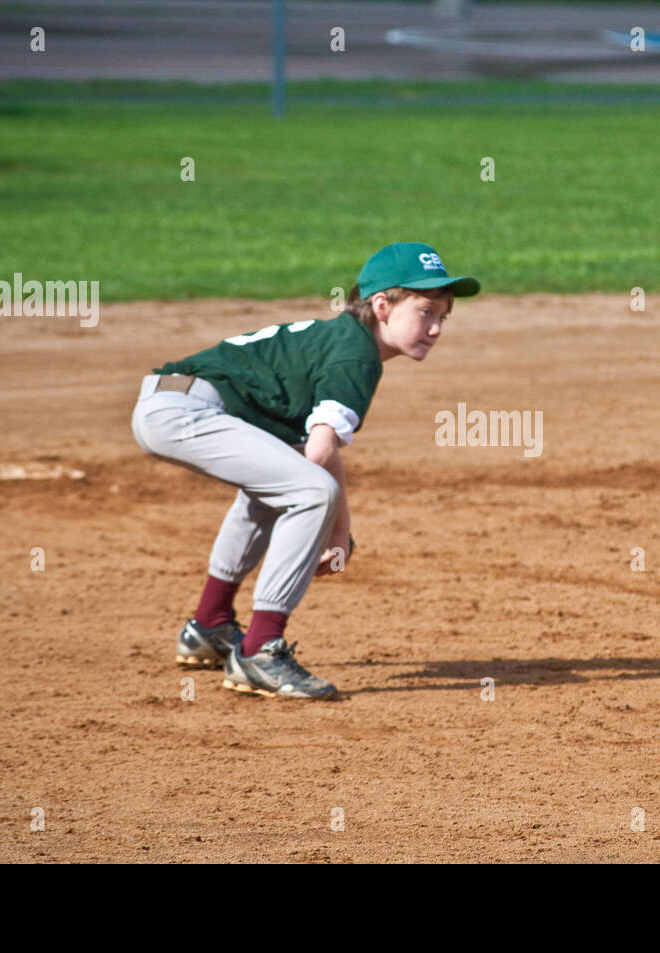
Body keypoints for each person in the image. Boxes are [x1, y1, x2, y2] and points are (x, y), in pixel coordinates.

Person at [131, 242, 480, 699]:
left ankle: (211, 626)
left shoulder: (339, 340)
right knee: (310, 490)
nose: (435, 328)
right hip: (182, 412)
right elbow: (317, 459)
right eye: (425, 311)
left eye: (442, 317)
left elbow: (310, 452)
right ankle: (260, 651)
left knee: (277, 487)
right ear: (382, 305)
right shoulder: (356, 356)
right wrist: (336, 530)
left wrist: (339, 533)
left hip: (171, 404)